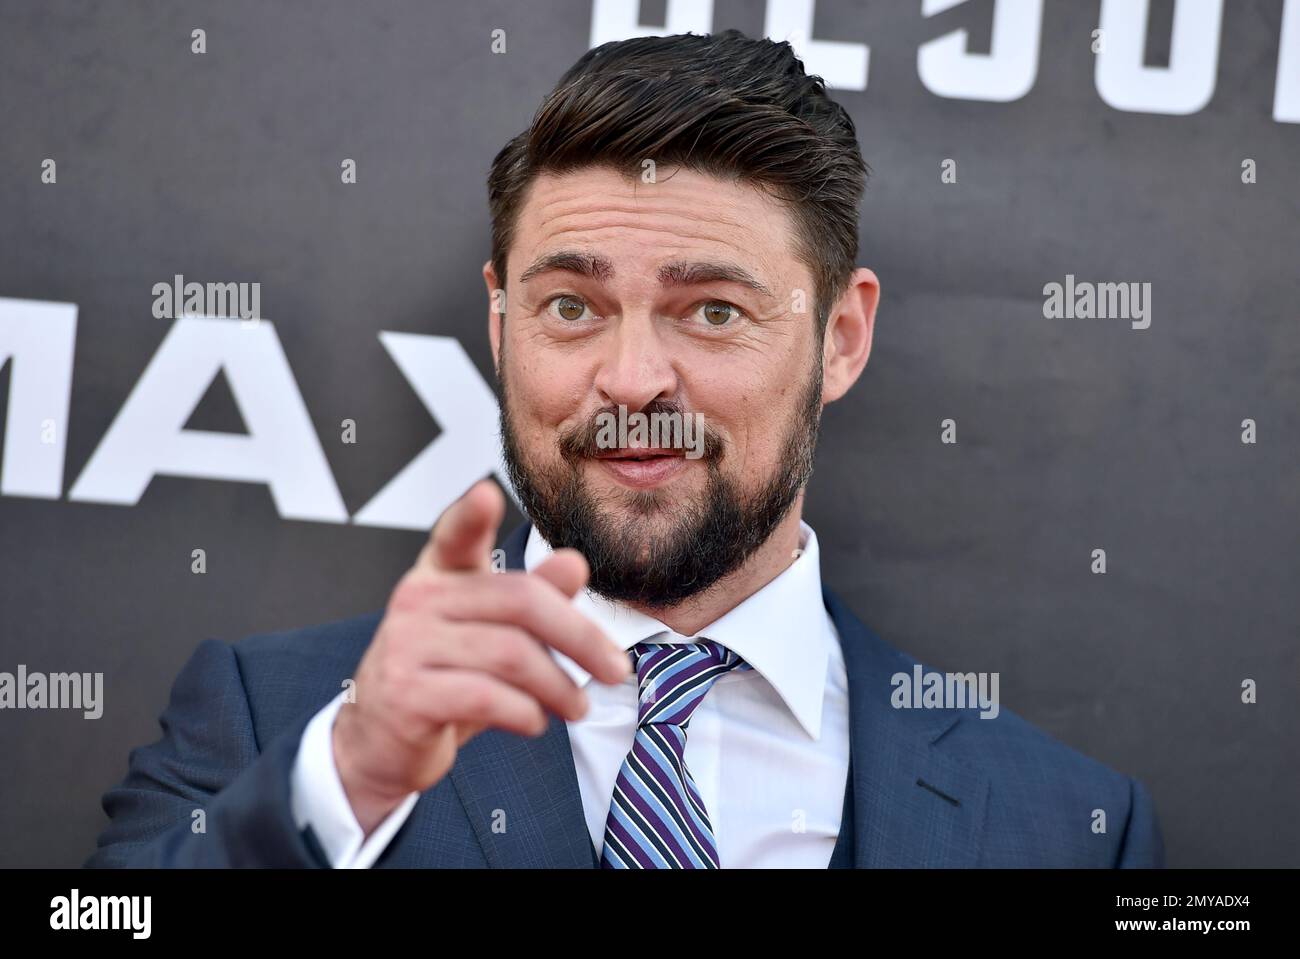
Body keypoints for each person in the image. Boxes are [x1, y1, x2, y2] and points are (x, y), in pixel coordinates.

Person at [86, 30, 1163, 869]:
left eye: (711, 313)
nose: (633, 377)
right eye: (570, 305)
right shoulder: (275, 714)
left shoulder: (1068, 824)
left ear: (839, 337)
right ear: (502, 325)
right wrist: (347, 778)